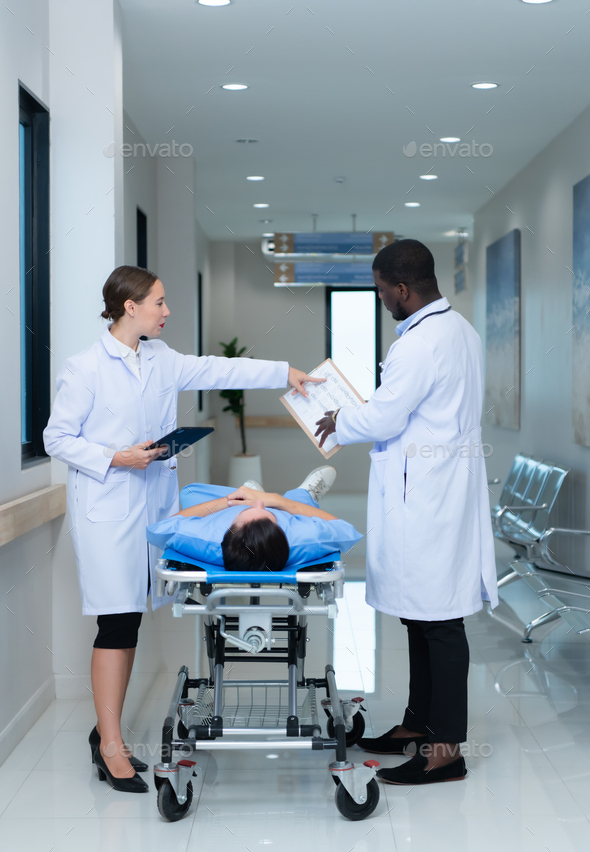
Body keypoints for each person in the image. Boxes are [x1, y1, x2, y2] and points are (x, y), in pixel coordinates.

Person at [43, 265, 323, 793]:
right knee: (117, 622)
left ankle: (105, 730)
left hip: (150, 506)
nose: (167, 311)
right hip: (107, 507)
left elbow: (217, 369)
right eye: (159, 302)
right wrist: (115, 457)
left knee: (132, 620)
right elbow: (56, 437)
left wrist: (285, 372)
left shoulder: (160, 358)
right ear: (130, 307)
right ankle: (109, 746)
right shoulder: (84, 369)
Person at [315, 239, 498, 786]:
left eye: (379, 290)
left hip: (429, 495)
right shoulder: (461, 331)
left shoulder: (421, 342)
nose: (381, 301)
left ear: (402, 288)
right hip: (439, 487)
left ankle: (445, 751)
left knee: (440, 621)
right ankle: (418, 725)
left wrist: (337, 423)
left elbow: (385, 416)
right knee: (423, 614)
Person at [146, 464, 362, 572]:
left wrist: (230, 502)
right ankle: (305, 495)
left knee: (189, 494)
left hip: (228, 509)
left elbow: (163, 526)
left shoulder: (205, 538)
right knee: (296, 505)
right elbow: (342, 528)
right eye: (267, 515)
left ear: (229, 529)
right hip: (286, 515)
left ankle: (247, 493)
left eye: (251, 510)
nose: (259, 503)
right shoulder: (301, 537)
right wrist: (276, 501)